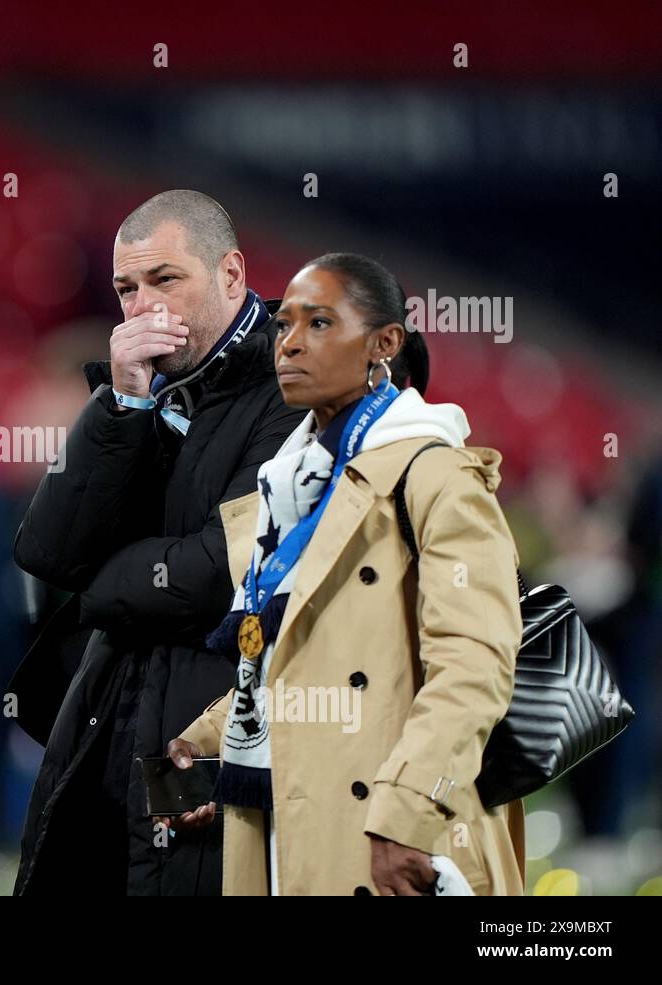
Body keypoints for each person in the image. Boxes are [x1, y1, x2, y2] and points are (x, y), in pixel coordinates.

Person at [167, 253, 526, 896]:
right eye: (283, 326)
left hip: (395, 829)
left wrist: (406, 812)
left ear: (384, 344)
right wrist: (212, 739)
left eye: (321, 323)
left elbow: (475, 664)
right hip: (291, 825)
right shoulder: (287, 487)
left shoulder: (438, 475)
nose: (291, 343)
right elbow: (301, 666)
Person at [11, 190, 305, 895]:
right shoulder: (133, 392)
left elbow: (215, 573)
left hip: (210, 733)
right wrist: (122, 403)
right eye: (126, 288)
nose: (143, 306)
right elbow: (45, 553)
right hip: (100, 728)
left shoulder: (290, 387)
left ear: (231, 275)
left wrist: (97, 582)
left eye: (165, 279)